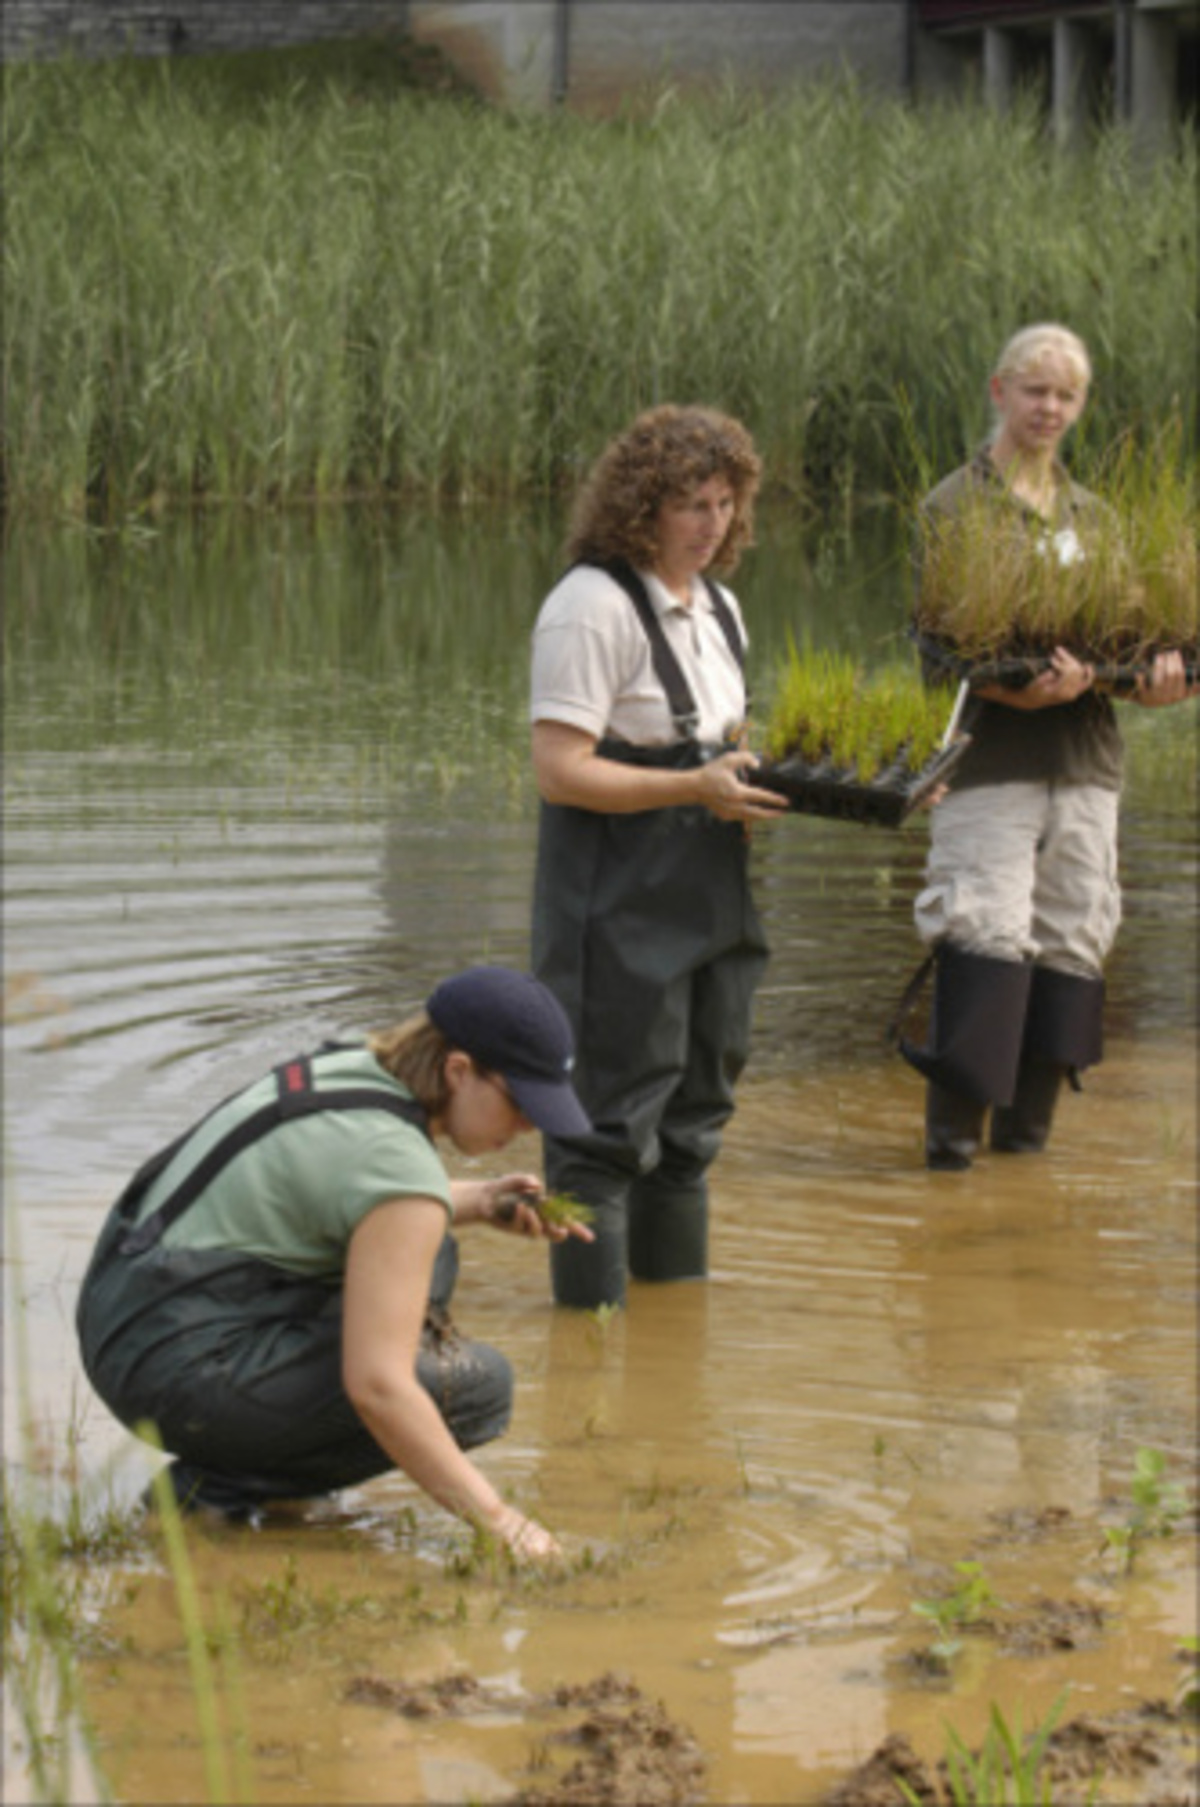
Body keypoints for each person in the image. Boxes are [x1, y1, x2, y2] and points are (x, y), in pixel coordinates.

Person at [76, 966, 594, 1556]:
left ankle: (273, 1476)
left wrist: (479, 1200)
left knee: (432, 1244)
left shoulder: (356, 1067)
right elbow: (378, 1387)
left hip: (126, 1311)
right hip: (173, 1364)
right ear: (458, 1070)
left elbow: (350, 1191)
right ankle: (214, 1490)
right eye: (522, 1104)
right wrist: (502, 1523)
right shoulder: (402, 1172)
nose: (529, 1126)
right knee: (475, 1389)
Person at [900, 323, 1196, 1170]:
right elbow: (938, 654)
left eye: (1066, 395)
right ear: (1000, 391)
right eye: (1035, 390)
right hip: (989, 767)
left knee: (1071, 943)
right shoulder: (952, 505)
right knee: (985, 937)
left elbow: (1134, 645)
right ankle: (951, 1161)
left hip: (1086, 771)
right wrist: (1010, 687)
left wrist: (1160, 679)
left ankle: (1023, 1164)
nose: (1050, 408)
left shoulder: (1097, 519)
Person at [529, 403, 788, 1309]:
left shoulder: (720, 607)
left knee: (693, 1120)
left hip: (714, 898)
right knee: (604, 1125)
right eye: (691, 505)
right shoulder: (590, 606)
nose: (713, 524)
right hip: (614, 905)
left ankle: (675, 1359)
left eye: (725, 503)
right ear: (641, 507)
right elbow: (560, 772)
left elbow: (727, 749)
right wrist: (692, 788)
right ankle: (589, 1348)